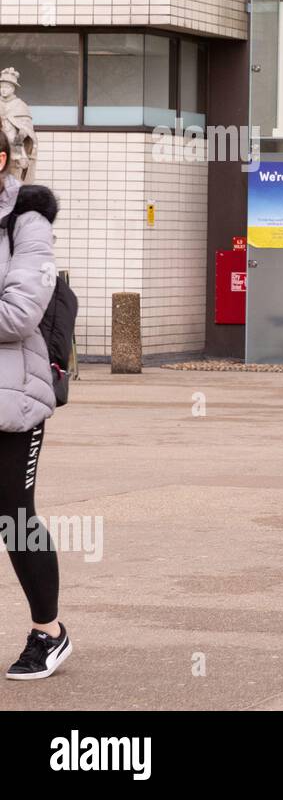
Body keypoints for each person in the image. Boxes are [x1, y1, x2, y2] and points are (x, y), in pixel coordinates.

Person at [0, 128, 68, 680]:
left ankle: (49, 632)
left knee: (13, 515)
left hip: (13, 397)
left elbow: (19, 314)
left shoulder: (27, 222)